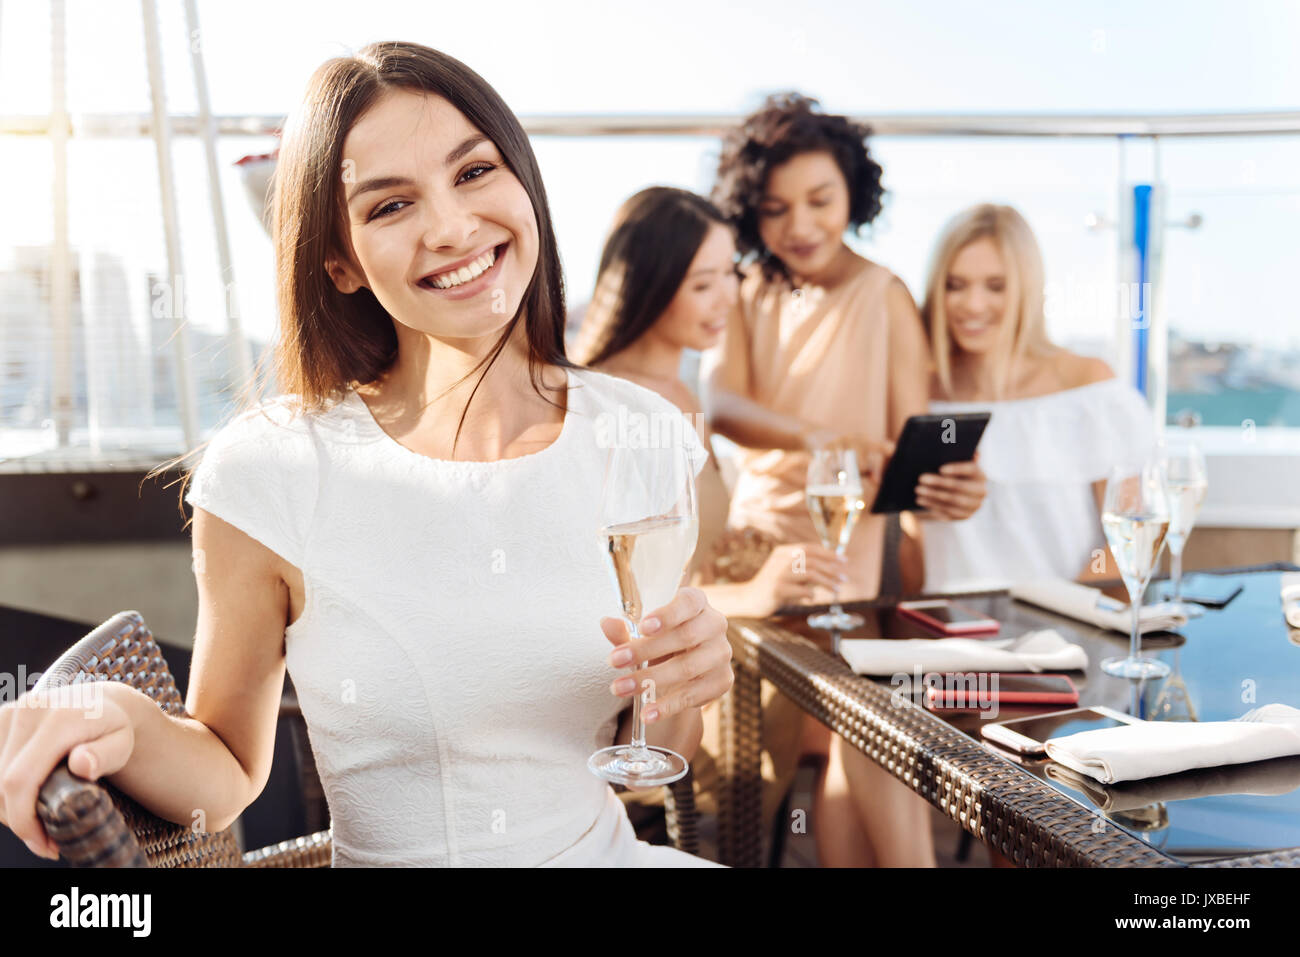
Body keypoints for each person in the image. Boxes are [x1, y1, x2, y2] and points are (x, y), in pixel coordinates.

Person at [0, 41, 731, 868]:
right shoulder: (270, 470)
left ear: (524, 181)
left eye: (475, 172)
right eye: (390, 207)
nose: (453, 227)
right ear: (339, 262)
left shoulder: (642, 431)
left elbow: (653, 756)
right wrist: (126, 718)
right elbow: (229, 774)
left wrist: (682, 685)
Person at [701, 93, 987, 866]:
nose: (800, 225)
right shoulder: (750, 290)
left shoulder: (884, 294)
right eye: (775, 208)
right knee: (802, 730)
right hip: (759, 541)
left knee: (849, 727)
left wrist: (950, 488)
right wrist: (815, 436)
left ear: (853, 196)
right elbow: (719, 402)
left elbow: (910, 441)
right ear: (749, 213)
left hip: (853, 537)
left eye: (821, 201)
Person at [574, 186, 851, 835]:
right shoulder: (615, 406)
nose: (728, 295)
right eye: (703, 284)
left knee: (849, 715)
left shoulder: (678, 389)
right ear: (650, 285)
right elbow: (618, 597)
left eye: (731, 272)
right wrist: (757, 588)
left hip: (725, 655)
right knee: (845, 717)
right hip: (659, 694)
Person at [916, 203, 1156, 591]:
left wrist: (1062, 619)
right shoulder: (921, 393)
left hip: (1067, 633)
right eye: (955, 285)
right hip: (950, 635)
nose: (973, 305)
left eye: (996, 286)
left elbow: (1134, 538)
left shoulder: (1089, 387)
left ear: (1027, 289)